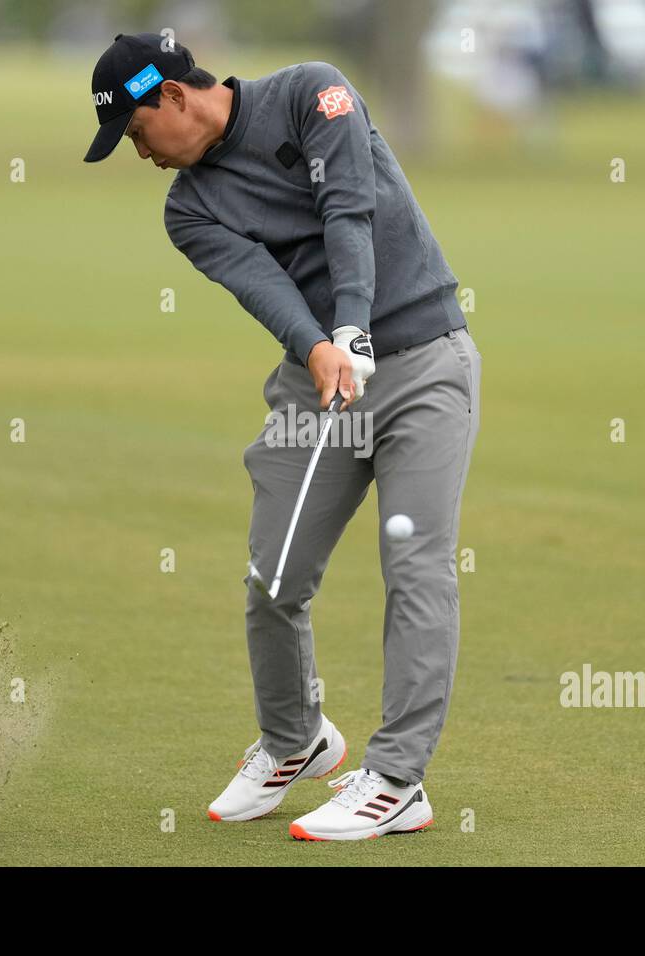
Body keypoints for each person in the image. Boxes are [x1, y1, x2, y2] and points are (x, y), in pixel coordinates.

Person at [83, 33, 481, 840]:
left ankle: (399, 776)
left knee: (416, 568)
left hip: (426, 365)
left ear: (171, 97)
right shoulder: (188, 207)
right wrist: (324, 346)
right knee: (273, 576)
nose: (141, 154)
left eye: (134, 133)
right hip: (319, 384)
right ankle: (296, 740)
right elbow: (264, 287)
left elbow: (350, 211)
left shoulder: (313, 92)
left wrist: (355, 327)